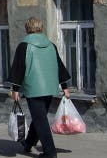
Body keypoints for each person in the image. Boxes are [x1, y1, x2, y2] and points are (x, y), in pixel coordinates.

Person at [9, 17, 71, 158]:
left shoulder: (24, 45)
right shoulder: (51, 45)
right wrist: (65, 86)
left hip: (33, 88)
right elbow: (59, 66)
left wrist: (15, 89)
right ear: (41, 28)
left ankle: (50, 152)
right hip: (49, 87)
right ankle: (28, 143)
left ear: (27, 28)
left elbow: (18, 68)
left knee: (40, 120)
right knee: (40, 117)